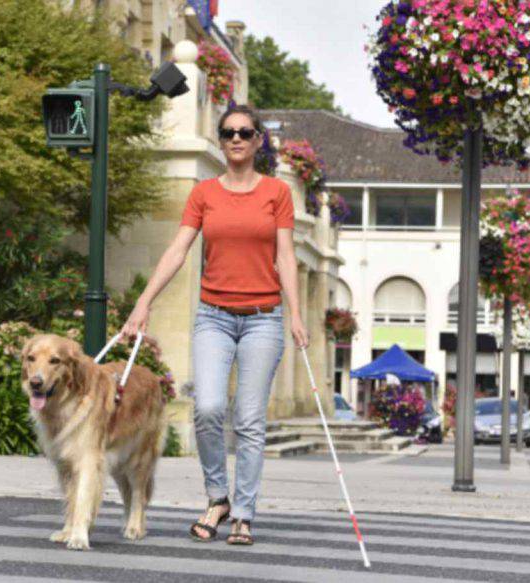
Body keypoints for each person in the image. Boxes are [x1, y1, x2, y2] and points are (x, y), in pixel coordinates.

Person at [120, 104, 308, 546]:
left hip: (263, 319)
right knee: (206, 409)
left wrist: (296, 314)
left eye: (244, 132)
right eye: (228, 133)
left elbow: (285, 256)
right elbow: (177, 249)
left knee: (249, 420)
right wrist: (143, 302)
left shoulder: (276, 192)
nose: (236, 139)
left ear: (258, 140)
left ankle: (243, 513)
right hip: (214, 317)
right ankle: (218, 498)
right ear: (220, 142)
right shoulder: (204, 193)